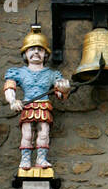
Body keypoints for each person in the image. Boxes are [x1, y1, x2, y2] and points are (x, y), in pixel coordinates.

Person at [4, 24, 70, 174]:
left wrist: (64, 90)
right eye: (32, 49)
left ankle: (41, 159)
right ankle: (25, 159)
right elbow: (9, 87)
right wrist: (13, 101)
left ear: (45, 54)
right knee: (27, 134)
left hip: (44, 106)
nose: (35, 52)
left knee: (43, 133)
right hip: (27, 106)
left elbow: (60, 94)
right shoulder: (19, 73)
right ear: (25, 53)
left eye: (40, 50)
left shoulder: (52, 74)